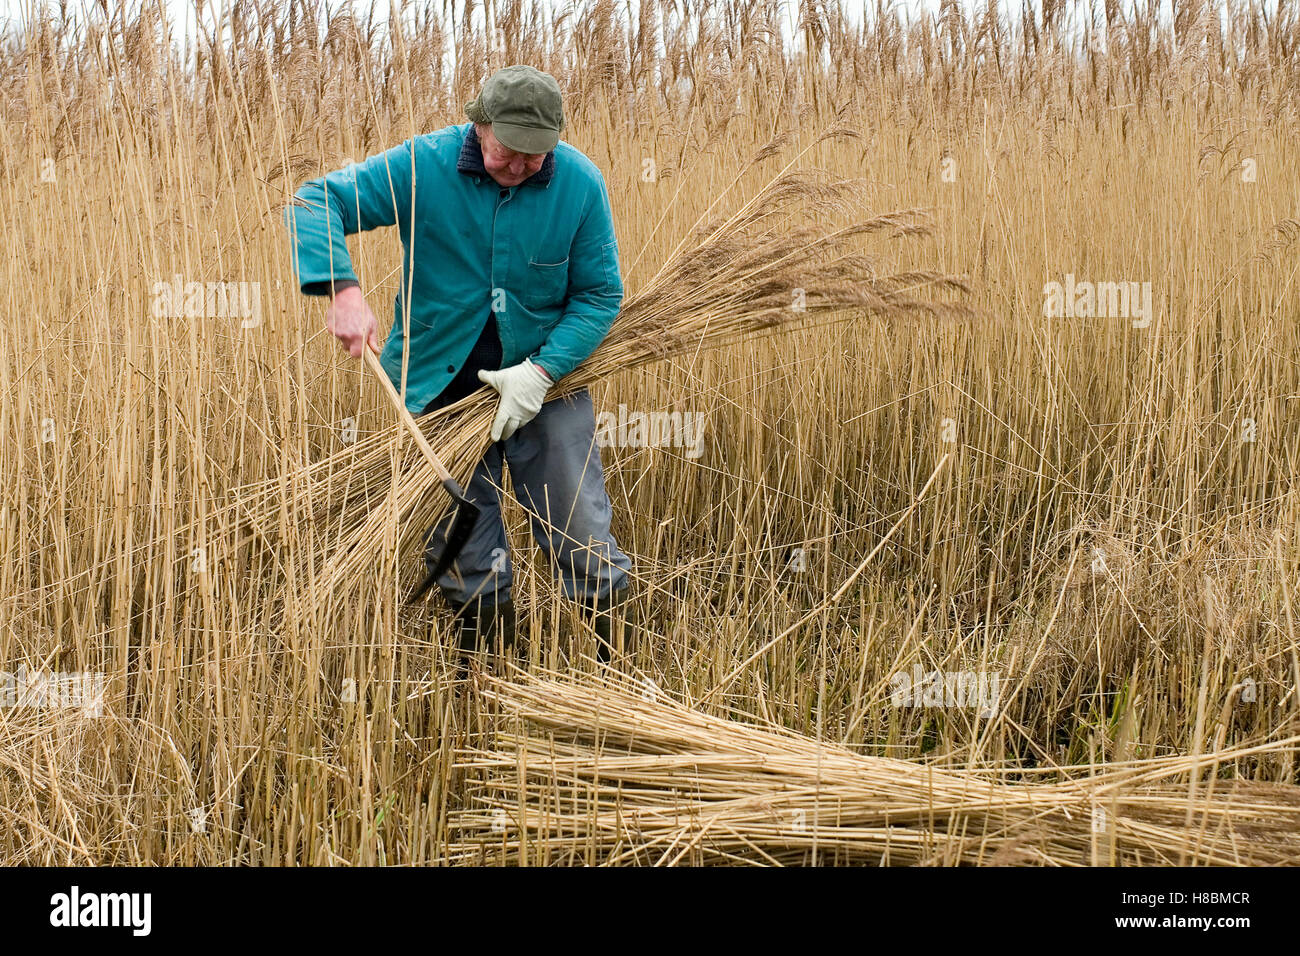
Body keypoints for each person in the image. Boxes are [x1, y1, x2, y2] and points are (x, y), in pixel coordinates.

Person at [284, 64, 635, 665]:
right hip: (436, 385)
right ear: (479, 125)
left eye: (536, 155)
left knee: (581, 533)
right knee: (469, 546)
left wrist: (542, 373)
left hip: (546, 383)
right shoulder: (424, 166)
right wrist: (340, 288)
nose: (522, 166)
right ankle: (486, 677)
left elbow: (600, 295)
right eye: (509, 152)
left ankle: (614, 670)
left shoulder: (579, 183)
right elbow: (317, 200)